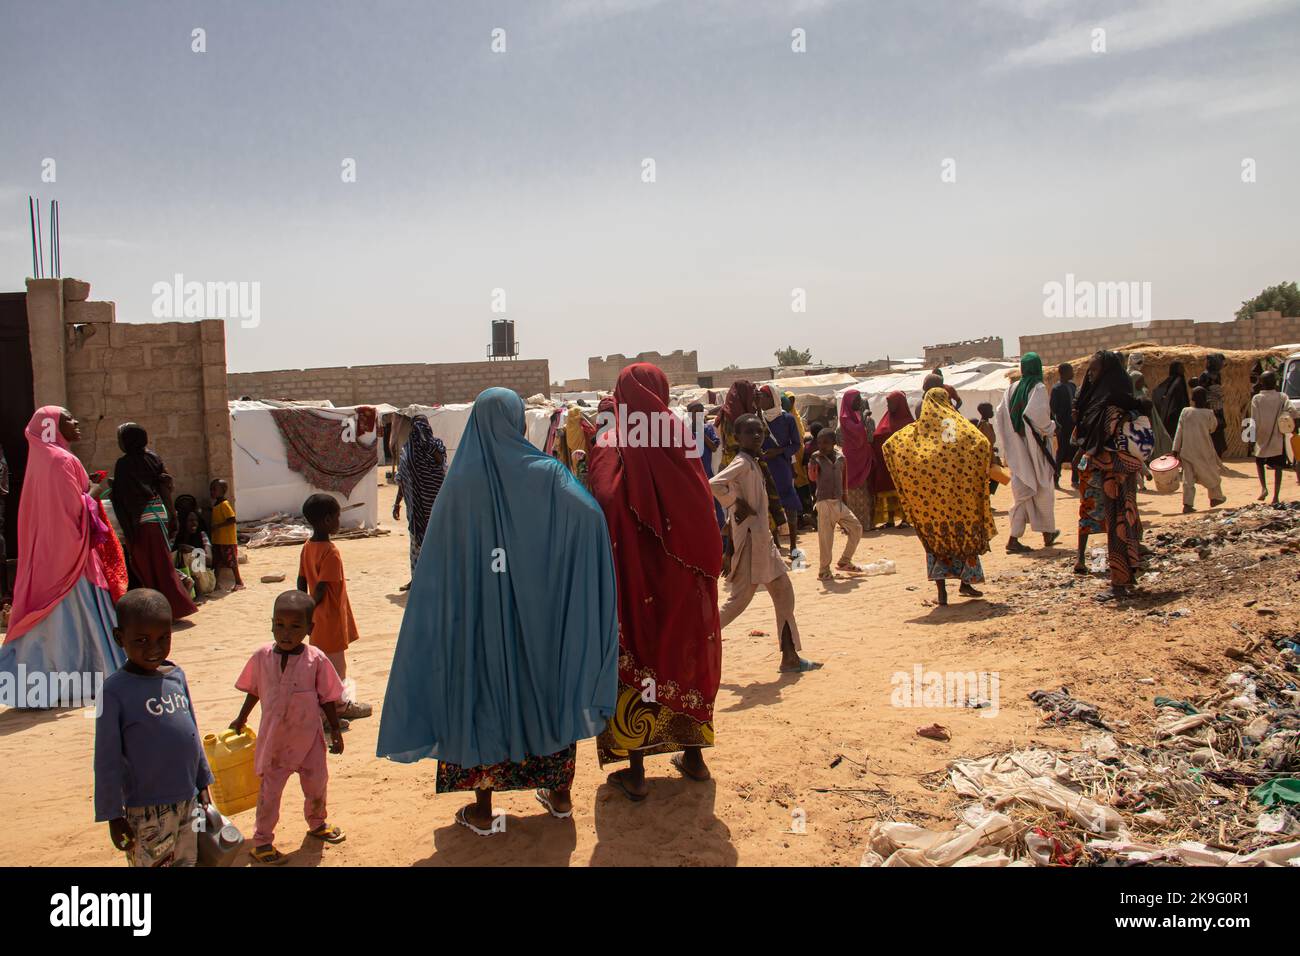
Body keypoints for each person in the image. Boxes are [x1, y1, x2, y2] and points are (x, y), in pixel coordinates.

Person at [376, 388, 619, 835]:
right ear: (518, 421)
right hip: (540, 615)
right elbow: (590, 516)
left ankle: (485, 811)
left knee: (482, 695)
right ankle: (559, 795)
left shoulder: (462, 483)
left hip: (477, 620)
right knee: (547, 686)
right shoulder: (546, 473)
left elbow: (438, 559)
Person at [588, 364, 723, 800]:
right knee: (685, 655)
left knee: (639, 656)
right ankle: (695, 758)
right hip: (686, 574)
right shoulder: (678, 433)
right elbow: (701, 504)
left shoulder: (613, 437)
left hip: (634, 573)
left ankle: (637, 772)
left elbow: (604, 499)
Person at [1, 407, 125, 704]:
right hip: (72, 559)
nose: (76, 422)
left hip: (48, 557)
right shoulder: (63, 459)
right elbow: (76, 511)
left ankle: (34, 687)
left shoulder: (42, 460)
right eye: (68, 419)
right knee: (82, 622)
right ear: (52, 426)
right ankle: (87, 678)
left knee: (47, 627)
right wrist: (95, 489)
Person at [95, 589, 214, 867]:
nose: (154, 649)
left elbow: (192, 732)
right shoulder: (113, 692)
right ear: (119, 638)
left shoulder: (176, 676)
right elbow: (106, 760)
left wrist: (203, 782)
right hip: (146, 810)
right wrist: (113, 816)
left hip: (188, 800)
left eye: (163, 639)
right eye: (141, 640)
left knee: (189, 861)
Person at [230, 591, 346, 864]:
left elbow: (328, 698)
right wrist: (241, 717)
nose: (286, 632)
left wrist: (336, 731)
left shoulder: (315, 659)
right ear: (272, 624)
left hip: (309, 740)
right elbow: (254, 690)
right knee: (269, 794)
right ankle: (262, 841)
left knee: (317, 785)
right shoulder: (262, 656)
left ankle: (317, 823)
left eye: (295, 627)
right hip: (275, 743)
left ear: (309, 629)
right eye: (280, 625)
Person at [710, 414, 819, 673]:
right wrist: (736, 502)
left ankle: (790, 656)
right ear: (738, 437)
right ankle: (695, 641)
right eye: (751, 433)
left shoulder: (755, 462)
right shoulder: (743, 463)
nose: (757, 437)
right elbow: (714, 483)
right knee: (738, 602)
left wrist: (737, 504)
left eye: (760, 432)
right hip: (750, 541)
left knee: (783, 592)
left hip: (762, 539)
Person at [884, 387, 996, 606]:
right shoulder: (954, 425)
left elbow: (891, 446)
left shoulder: (920, 431)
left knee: (937, 543)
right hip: (959, 500)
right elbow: (980, 442)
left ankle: (943, 593)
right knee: (963, 538)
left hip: (932, 505)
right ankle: (966, 583)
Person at [1072, 351, 1145, 598]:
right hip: (1123, 473)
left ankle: (1120, 580)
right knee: (1126, 521)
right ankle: (1127, 573)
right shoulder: (1122, 398)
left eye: (1094, 371)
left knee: (1118, 526)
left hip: (1114, 475)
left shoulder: (1109, 404)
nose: (1090, 377)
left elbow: (1099, 443)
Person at [109, 423, 197, 620]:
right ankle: (169, 603)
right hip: (159, 514)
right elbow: (164, 484)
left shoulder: (124, 464)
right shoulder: (154, 458)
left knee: (149, 565)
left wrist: (111, 488)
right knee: (160, 562)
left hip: (143, 519)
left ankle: (170, 608)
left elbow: (124, 496)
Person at [297, 494, 372, 721]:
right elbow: (320, 590)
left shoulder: (307, 547)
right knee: (336, 669)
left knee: (321, 667)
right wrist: (308, 612)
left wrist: (304, 614)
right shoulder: (331, 552)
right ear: (328, 520)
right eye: (338, 517)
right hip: (330, 620)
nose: (340, 521)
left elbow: (301, 581)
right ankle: (339, 709)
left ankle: (325, 708)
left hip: (317, 621)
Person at [994, 353, 1059, 553]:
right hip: (1035, 448)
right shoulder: (1038, 388)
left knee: (1023, 491)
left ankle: (1040, 533)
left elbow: (999, 413)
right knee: (1043, 487)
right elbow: (1038, 417)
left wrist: (1012, 440)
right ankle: (1038, 533)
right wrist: (1051, 428)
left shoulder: (1012, 388)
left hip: (1018, 451)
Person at [392, 417, 446, 588]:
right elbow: (402, 479)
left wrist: (426, 444)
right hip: (415, 507)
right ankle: (416, 578)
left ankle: (438, 578)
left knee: (437, 541)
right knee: (416, 543)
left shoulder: (436, 446)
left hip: (436, 505)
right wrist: (397, 503)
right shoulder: (407, 451)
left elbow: (441, 464)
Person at [807, 428, 864, 580]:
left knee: (856, 528)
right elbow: (812, 478)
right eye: (819, 442)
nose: (822, 446)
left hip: (838, 502)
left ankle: (845, 561)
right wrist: (812, 463)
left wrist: (845, 502)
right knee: (826, 540)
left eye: (825, 442)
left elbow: (843, 481)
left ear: (833, 443)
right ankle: (824, 570)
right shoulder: (816, 458)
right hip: (824, 503)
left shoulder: (841, 458)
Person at [758, 384, 802, 553]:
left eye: (764, 396)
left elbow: (796, 444)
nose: (760, 400)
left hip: (781, 466)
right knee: (768, 503)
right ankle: (776, 544)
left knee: (789, 502)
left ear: (773, 398)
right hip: (764, 466)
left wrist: (778, 452)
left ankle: (793, 545)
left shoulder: (787, 419)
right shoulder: (759, 419)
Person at [1172, 387, 1226, 513]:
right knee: (1211, 473)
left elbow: (1179, 431)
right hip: (1204, 450)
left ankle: (1187, 504)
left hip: (1187, 450)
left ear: (1192, 398)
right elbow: (1213, 428)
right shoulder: (1209, 413)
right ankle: (1215, 497)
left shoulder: (1185, 411)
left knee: (1188, 479)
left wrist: (1175, 449)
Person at [871, 392, 913, 528]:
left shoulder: (908, 423)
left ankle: (906, 519)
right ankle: (889, 519)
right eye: (887, 403)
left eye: (891, 403)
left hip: (902, 464)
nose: (888, 406)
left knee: (903, 491)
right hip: (885, 463)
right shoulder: (885, 419)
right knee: (887, 490)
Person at [1250, 370, 1289, 506]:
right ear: (1275, 382)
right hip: (1277, 437)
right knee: (1278, 467)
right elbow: (1292, 412)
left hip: (1261, 436)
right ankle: (1276, 497)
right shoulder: (1282, 397)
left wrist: (1252, 437)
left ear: (1261, 383)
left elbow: (1253, 419)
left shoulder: (1257, 398)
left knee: (1259, 462)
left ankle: (1263, 488)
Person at [838, 390, 875, 531]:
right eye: (857, 399)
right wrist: (864, 418)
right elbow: (857, 434)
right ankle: (853, 526)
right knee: (854, 489)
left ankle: (866, 522)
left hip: (862, 456)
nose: (859, 402)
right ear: (849, 401)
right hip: (854, 459)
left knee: (865, 490)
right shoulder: (845, 417)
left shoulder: (855, 416)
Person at [688, 401, 724, 529]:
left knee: (715, 504)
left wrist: (701, 434)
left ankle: (722, 536)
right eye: (695, 411)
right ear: (689, 414)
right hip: (691, 475)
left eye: (700, 411)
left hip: (707, 473)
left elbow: (714, 447)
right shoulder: (684, 430)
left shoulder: (707, 429)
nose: (698, 414)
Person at [208, 479, 243, 591]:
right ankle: (215, 583)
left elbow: (232, 520)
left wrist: (217, 526)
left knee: (231, 561)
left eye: (214, 489)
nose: (212, 492)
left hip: (227, 539)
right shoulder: (216, 505)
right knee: (217, 562)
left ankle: (239, 581)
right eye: (211, 489)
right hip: (218, 539)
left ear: (222, 490)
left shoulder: (224, 504)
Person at [1050, 364, 1078, 488]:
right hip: (1063, 425)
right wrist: (1057, 426)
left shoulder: (1072, 386)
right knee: (1061, 452)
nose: (1073, 373)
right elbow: (1053, 410)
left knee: (1075, 451)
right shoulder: (1056, 389)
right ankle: (1056, 478)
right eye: (1071, 371)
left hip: (1074, 425)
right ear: (1064, 372)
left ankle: (1075, 480)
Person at [1152, 361, 1191, 440]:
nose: (1184, 370)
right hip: (1176, 417)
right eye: (1181, 368)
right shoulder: (1178, 382)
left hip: (1171, 417)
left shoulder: (1173, 381)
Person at [975, 402, 1001, 496]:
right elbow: (983, 442)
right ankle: (984, 498)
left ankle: (985, 498)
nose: (993, 412)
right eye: (991, 410)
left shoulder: (985, 424)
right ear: (985, 412)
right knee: (995, 477)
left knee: (993, 478)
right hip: (986, 458)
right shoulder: (984, 425)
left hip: (988, 456)